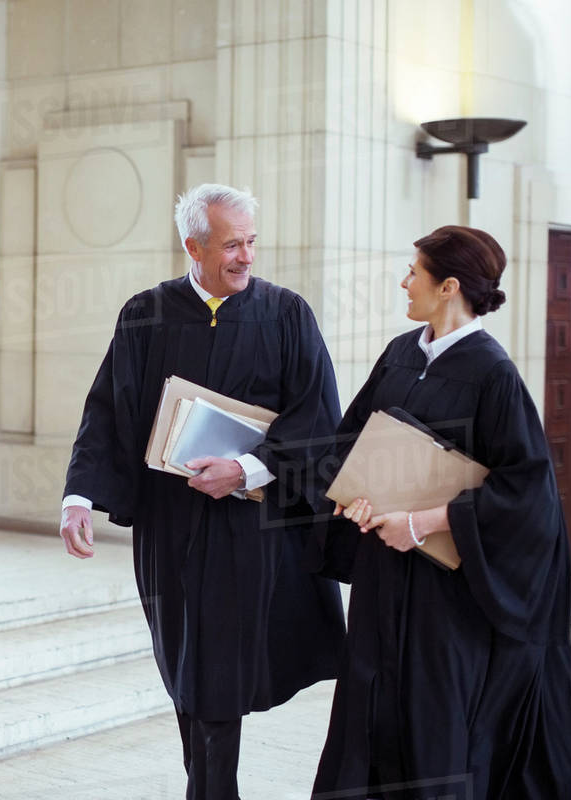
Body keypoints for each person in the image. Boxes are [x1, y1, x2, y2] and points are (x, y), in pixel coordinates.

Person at [59, 183, 347, 800]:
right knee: (185, 663)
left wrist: (248, 468)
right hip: (169, 527)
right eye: (231, 246)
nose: (246, 257)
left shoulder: (286, 313)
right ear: (192, 246)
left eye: (251, 243)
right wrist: (78, 497)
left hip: (247, 527)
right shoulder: (147, 313)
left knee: (217, 666)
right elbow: (107, 410)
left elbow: (318, 415)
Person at [311, 225, 571, 799]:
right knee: (368, 712)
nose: (405, 282)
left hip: (444, 595)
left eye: (414, 273)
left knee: (432, 722)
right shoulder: (401, 354)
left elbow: (527, 491)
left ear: (448, 286)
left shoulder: (492, 373)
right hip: (383, 581)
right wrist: (354, 496)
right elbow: (349, 442)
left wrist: (421, 523)